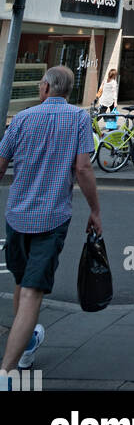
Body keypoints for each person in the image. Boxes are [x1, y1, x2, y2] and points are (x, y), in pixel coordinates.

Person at [0, 66, 102, 380]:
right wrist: (95, 211)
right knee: (31, 290)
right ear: (68, 91)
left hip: (17, 216)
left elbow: (0, 166)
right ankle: (6, 372)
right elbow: (83, 169)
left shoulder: (22, 119)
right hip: (52, 218)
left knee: (21, 281)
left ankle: (27, 345)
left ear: (45, 87)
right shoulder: (79, 118)